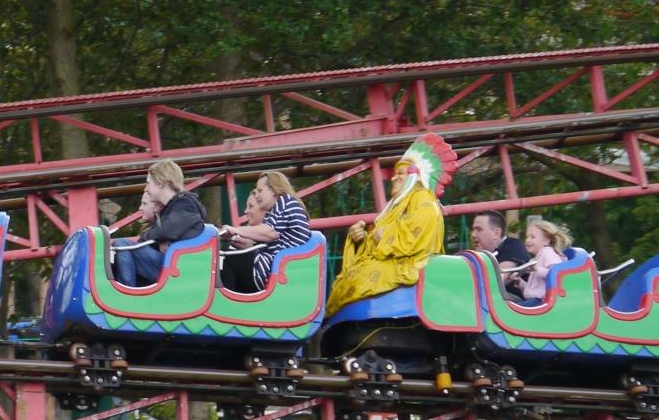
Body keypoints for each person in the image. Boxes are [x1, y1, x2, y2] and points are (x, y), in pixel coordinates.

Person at [325, 134, 456, 313]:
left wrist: (385, 234)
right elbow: (378, 240)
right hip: (392, 259)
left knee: (359, 280)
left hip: (410, 262)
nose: (394, 178)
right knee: (350, 279)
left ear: (414, 177)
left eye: (400, 174)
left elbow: (419, 231)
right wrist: (361, 239)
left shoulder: (422, 197)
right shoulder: (395, 206)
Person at [112, 160, 205, 288]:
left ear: (161, 183)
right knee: (126, 253)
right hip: (174, 264)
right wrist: (159, 239)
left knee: (122, 245)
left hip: (181, 270)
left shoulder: (185, 203)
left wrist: (150, 237)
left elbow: (168, 231)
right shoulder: (168, 210)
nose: (146, 188)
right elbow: (164, 233)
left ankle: (126, 294)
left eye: (148, 183)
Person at [220, 170, 312, 292]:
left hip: (272, 271)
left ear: (274, 190)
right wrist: (246, 243)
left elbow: (271, 233)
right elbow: (272, 239)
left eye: (260, 190)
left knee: (223, 259)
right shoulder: (279, 209)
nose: (257, 195)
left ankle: (227, 304)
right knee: (227, 256)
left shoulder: (285, 202)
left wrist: (235, 229)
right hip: (277, 269)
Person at [468, 210, 533, 294]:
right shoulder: (482, 255)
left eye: (479, 230)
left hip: (517, 302)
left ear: (496, 233)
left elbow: (498, 280)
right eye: (473, 229)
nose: (473, 234)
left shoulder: (513, 245)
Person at [517, 216, 573, 303]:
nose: (527, 240)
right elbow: (532, 291)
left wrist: (537, 269)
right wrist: (519, 282)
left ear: (546, 241)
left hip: (542, 302)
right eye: (527, 237)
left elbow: (557, 275)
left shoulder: (548, 252)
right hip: (534, 300)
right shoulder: (536, 259)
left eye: (532, 237)